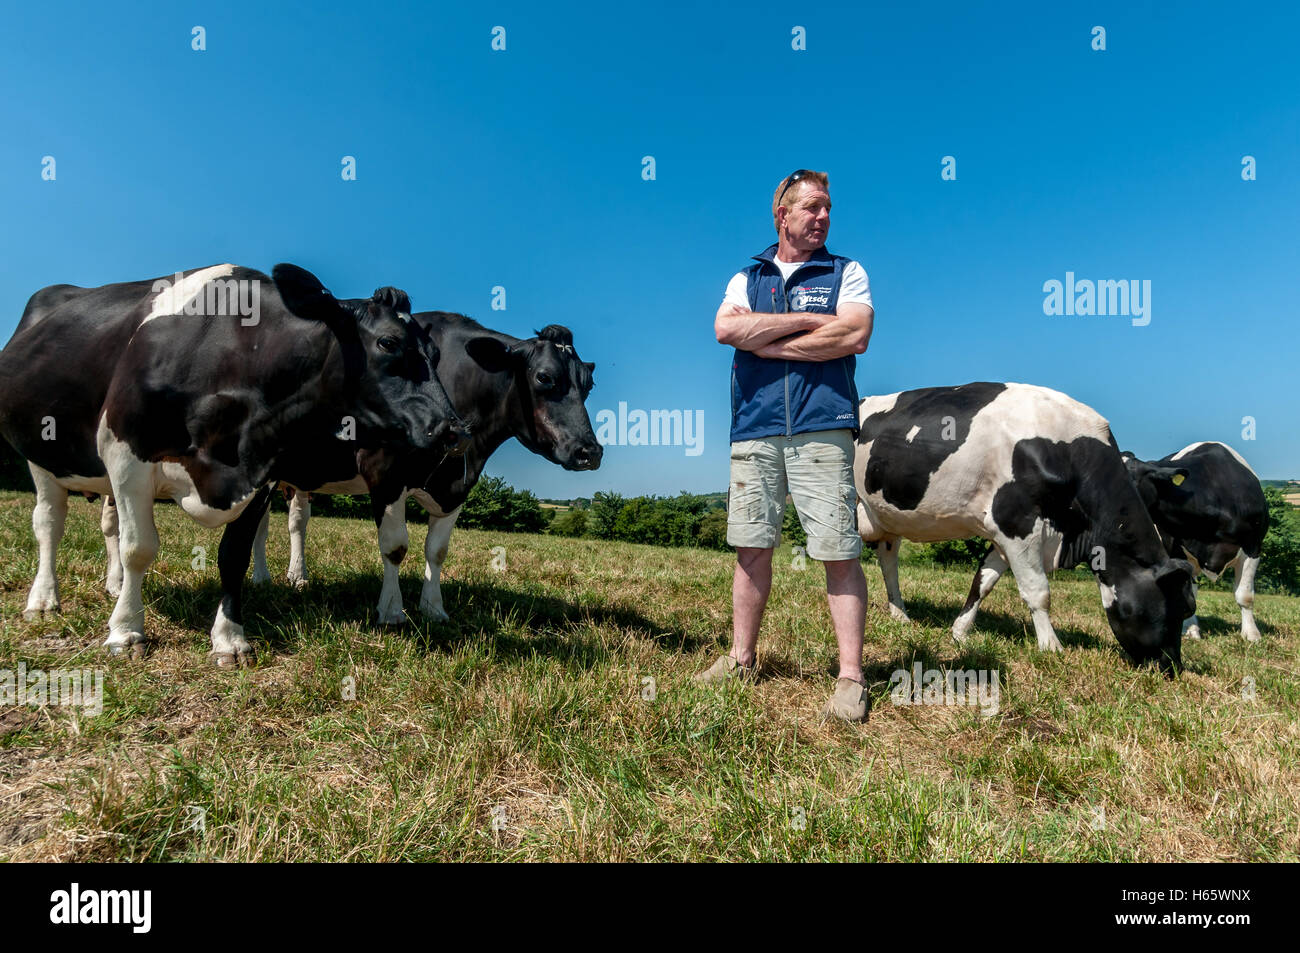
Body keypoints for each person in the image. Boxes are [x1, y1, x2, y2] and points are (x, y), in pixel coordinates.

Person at [697, 169, 875, 722]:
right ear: (783, 215)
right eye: (812, 208)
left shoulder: (846, 272)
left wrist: (766, 341)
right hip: (756, 429)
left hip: (824, 427)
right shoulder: (744, 278)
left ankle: (850, 678)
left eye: (828, 209)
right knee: (751, 548)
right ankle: (741, 658)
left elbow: (853, 336)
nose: (823, 217)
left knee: (838, 550)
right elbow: (727, 331)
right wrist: (803, 323)